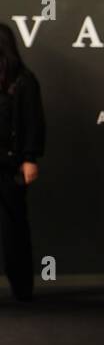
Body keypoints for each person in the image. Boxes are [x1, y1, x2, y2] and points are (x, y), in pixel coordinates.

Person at [0, 23, 44, 302]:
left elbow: (34, 122)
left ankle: (22, 288)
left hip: (11, 164)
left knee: (14, 225)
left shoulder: (25, 80)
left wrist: (30, 158)